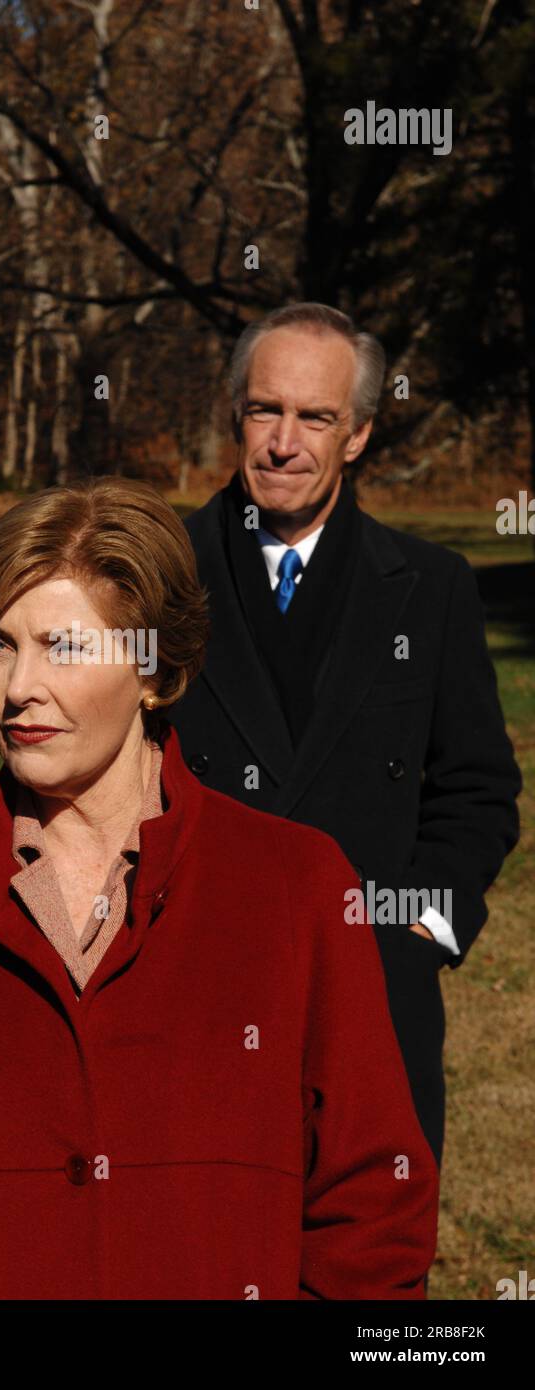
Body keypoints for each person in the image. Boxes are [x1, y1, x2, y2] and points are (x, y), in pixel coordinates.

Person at [0, 477, 438, 1300]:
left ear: (156, 671)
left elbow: (373, 1207)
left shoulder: (295, 884)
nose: (16, 689)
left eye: (64, 647)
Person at [168, 302, 522, 1172]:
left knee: (367, 1272)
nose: (282, 442)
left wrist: (415, 939)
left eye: (314, 417)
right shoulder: (157, 573)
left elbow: (475, 793)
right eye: (264, 410)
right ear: (237, 414)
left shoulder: (429, 588)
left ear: (356, 434)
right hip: (184, 995)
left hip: (370, 1000)